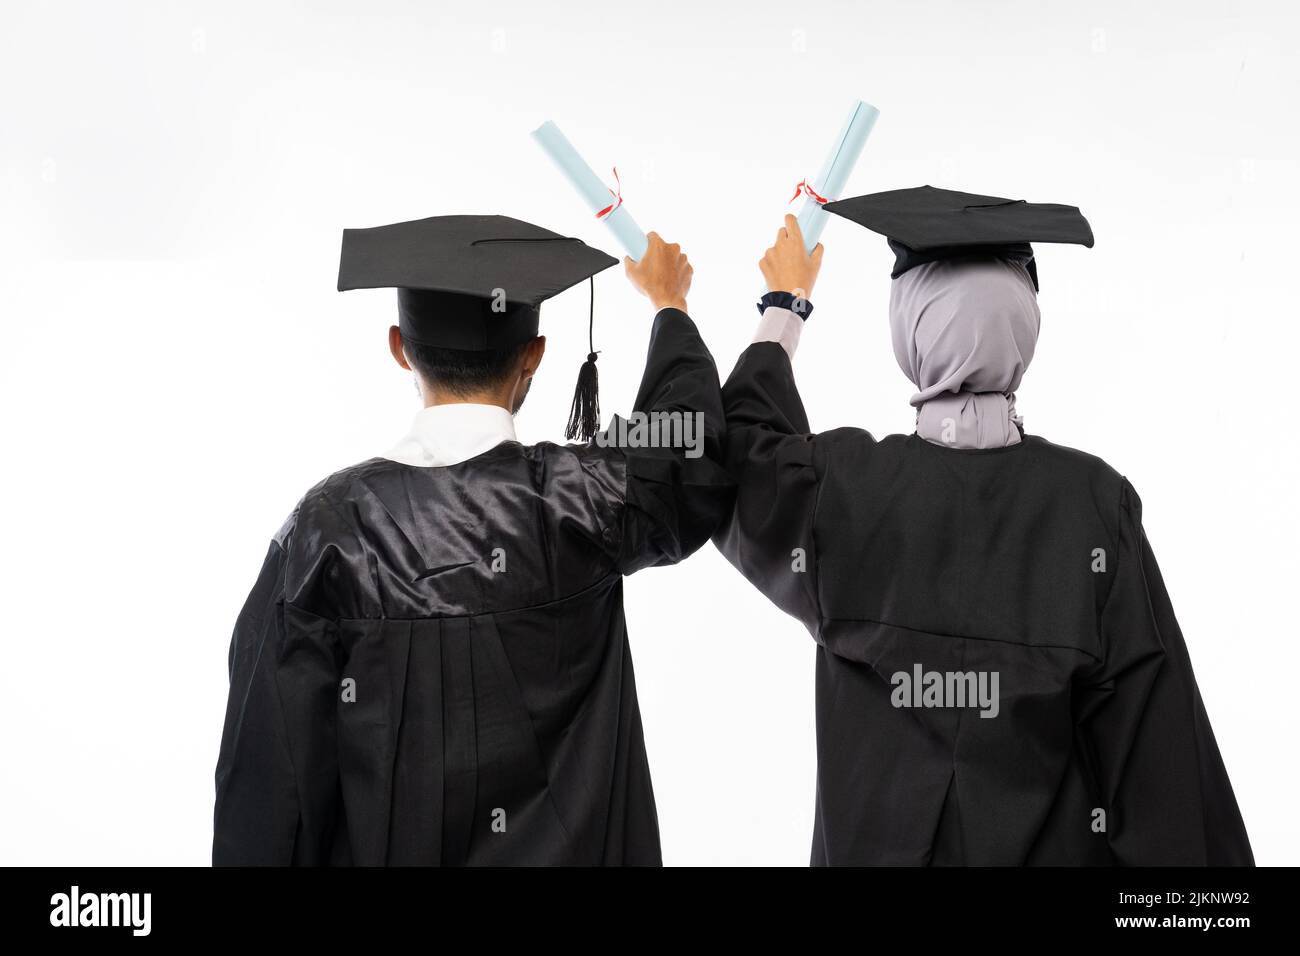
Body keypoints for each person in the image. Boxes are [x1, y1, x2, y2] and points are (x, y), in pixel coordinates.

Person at [716, 190, 1254, 865]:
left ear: (909, 329)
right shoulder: (1093, 505)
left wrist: (784, 305)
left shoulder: (837, 489)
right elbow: (1160, 765)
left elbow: (730, 460)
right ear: (1024, 328)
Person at [213, 215, 732, 865]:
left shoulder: (327, 536)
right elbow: (687, 453)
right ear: (533, 355)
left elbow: (269, 790)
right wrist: (670, 307)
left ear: (400, 347)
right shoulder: (587, 498)